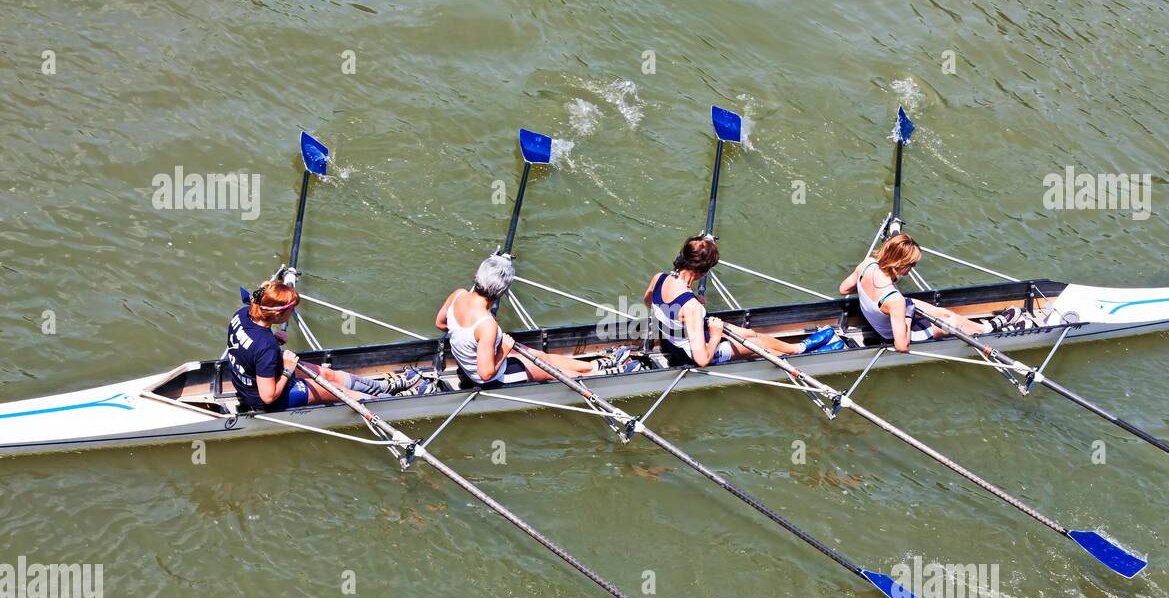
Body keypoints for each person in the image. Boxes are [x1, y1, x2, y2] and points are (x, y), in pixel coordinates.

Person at [645, 234, 843, 367]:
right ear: (702, 271)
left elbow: (650, 302)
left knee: (748, 333)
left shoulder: (659, 277)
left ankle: (797, 347)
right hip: (688, 354)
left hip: (673, 339)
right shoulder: (691, 307)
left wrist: (682, 314)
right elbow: (702, 360)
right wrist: (714, 335)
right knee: (756, 345)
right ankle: (801, 356)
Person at [225, 279, 422, 411]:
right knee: (335, 390)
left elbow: (249, 347)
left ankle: (383, 386)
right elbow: (268, 396)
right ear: (277, 314)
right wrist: (287, 370)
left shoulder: (242, 314)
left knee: (328, 375)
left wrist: (275, 341)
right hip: (262, 398)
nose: (292, 314)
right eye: (291, 310)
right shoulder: (265, 346)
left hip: (252, 376)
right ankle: (391, 403)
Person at [436, 254, 632, 386]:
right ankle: (601, 377)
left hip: (474, 360)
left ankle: (595, 365)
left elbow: (441, 324)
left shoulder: (458, 295)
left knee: (542, 356)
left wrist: (466, 341)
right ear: (501, 291)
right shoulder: (487, 325)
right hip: (488, 377)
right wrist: (503, 348)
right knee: (548, 371)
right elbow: (485, 373)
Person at [838, 233, 1028, 352]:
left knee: (945, 313)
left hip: (882, 313)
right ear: (899, 263)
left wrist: (870, 289)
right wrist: (908, 314)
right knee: (950, 323)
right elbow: (901, 346)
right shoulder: (895, 300)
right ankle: (993, 331)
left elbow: (844, 289)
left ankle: (986, 327)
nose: (912, 268)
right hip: (892, 333)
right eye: (911, 264)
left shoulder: (867, 265)